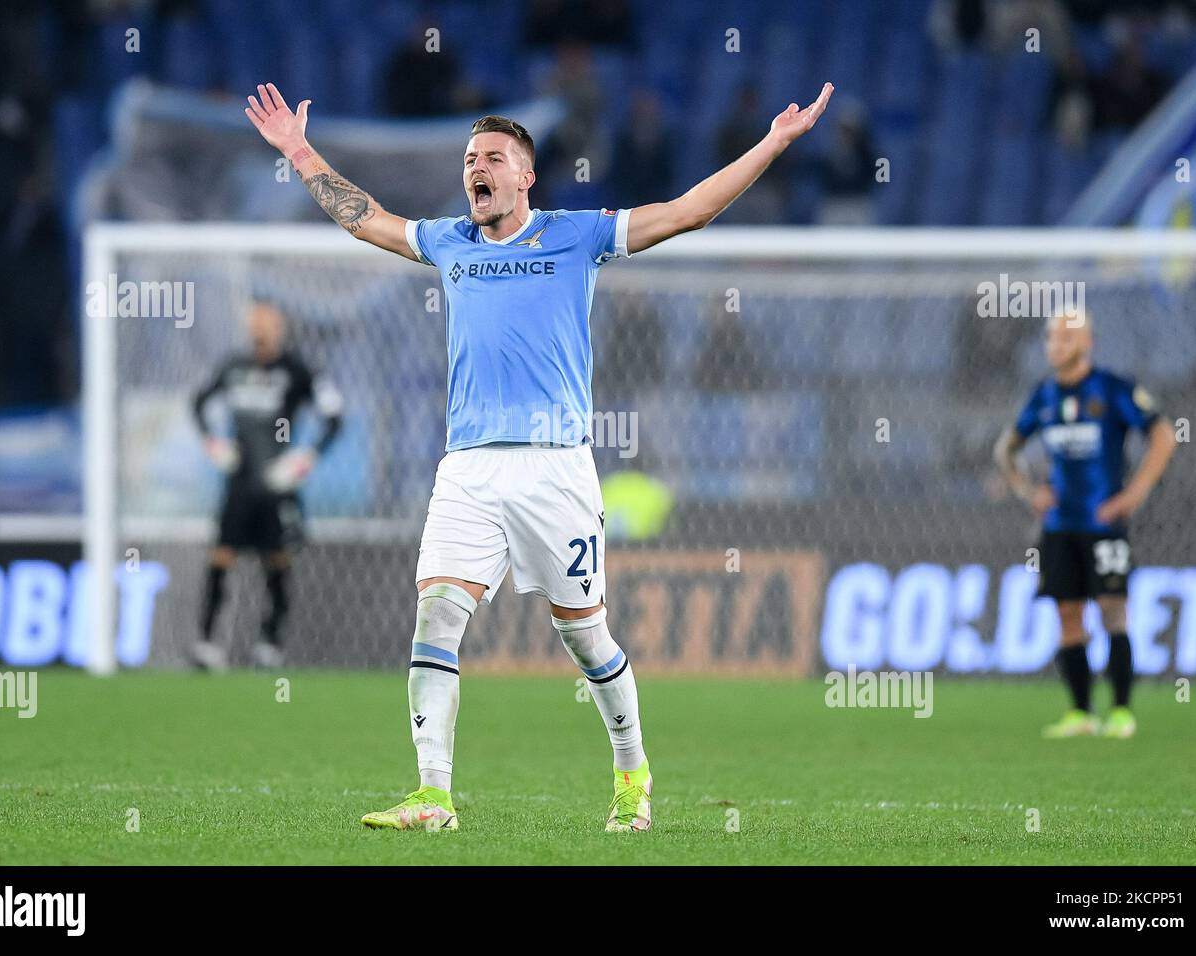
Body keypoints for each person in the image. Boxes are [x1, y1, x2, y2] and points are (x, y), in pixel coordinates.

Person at [244, 78, 833, 831]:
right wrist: (298, 150)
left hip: (555, 467)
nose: (474, 169)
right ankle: (433, 795)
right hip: (467, 468)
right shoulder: (449, 242)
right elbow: (369, 222)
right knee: (436, 616)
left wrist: (774, 142)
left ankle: (632, 773)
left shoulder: (575, 235)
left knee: (585, 637)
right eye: (468, 159)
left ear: (525, 174)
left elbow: (690, 211)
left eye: (490, 157)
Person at [994, 310, 1176, 739]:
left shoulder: (1113, 389)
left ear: (1087, 341)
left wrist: (1134, 494)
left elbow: (1163, 435)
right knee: (1068, 614)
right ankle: (1080, 712)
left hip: (1103, 524)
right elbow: (1006, 448)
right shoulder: (1043, 396)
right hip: (1059, 526)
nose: (1055, 344)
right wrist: (1028, 491)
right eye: (1051, 337)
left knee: (1112, 609)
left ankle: (1121, 711)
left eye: (1065, 336)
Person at [191, 301, 343, 671]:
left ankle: (269, 643)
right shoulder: (233, 367)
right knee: (222, 556)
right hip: (240, 483)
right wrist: (214, 442)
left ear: (280, 329)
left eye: (266, 325)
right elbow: (197, 403)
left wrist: (304, 459)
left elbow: (334, 417)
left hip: (277, 484)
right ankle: (208, 644)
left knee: (277, 561)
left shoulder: (297, 371)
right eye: (253, 324)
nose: (258, 332)